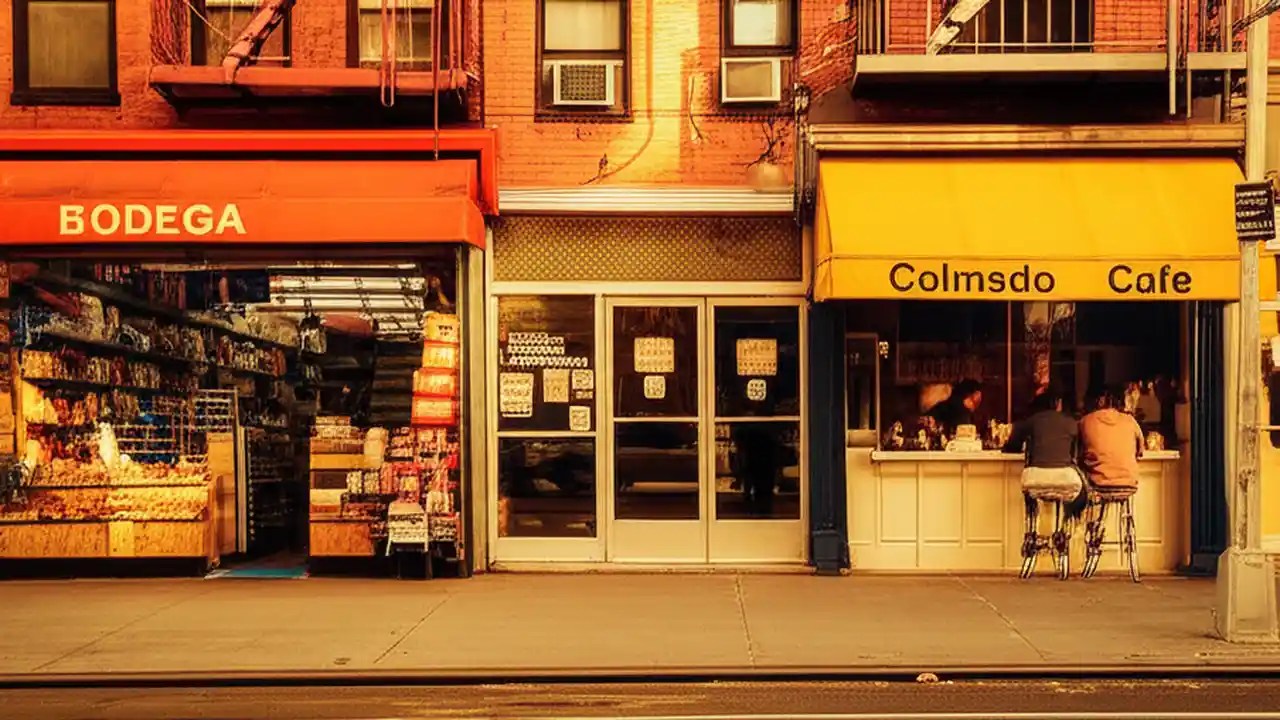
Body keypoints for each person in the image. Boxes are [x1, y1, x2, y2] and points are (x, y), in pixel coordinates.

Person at [1003, 384, 1086, 514]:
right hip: (1065, 478)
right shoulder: (1071, 423)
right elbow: (1078, 450)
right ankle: (1067, 525)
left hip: (1035, 478)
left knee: (1031, 493)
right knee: (1081, 490)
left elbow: (1012, 446)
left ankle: (1032, 523)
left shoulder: (1030, 421)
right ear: (1058, 403)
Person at [1078, 385, 1143, 497]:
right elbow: (1140, 451)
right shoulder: (1130, 421)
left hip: (1098, 484)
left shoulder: (1085, 421)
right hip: (1129, 484)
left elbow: (1078, 453)